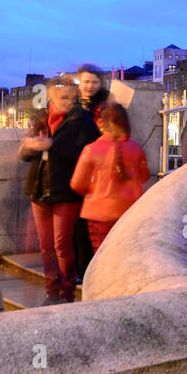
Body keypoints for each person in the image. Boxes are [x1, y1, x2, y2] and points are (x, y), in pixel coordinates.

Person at [19, 74, 99, 303]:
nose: (67, 102)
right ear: (51, 95)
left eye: (71, 98)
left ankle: (67, 292)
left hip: (65, 190)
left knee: (62, 245)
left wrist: (52, 145)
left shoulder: (82, 120)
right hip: (39, 188)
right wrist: (31, 147)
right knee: (46, 247)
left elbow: (84, 153)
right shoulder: (41, 117)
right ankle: (51, 291)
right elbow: (24, 154)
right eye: (63, 97)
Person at [70, 102, 150, 252]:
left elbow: (77, 184)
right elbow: (144, 176)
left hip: (99, 214)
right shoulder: (136, 148)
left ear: (101, 122)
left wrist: (93, 188)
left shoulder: (91, 150)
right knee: (126, 254)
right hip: (130, 211)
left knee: (102, 255)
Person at [73, 63, 111, 279]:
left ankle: (88, 268)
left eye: (94, 82)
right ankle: (80, 268)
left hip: (96, 168)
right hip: (77, 166)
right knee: (78, 221)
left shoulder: (104, 106)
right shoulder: (75, 104)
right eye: (86, 82)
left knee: (90, 222)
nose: (90, 86)